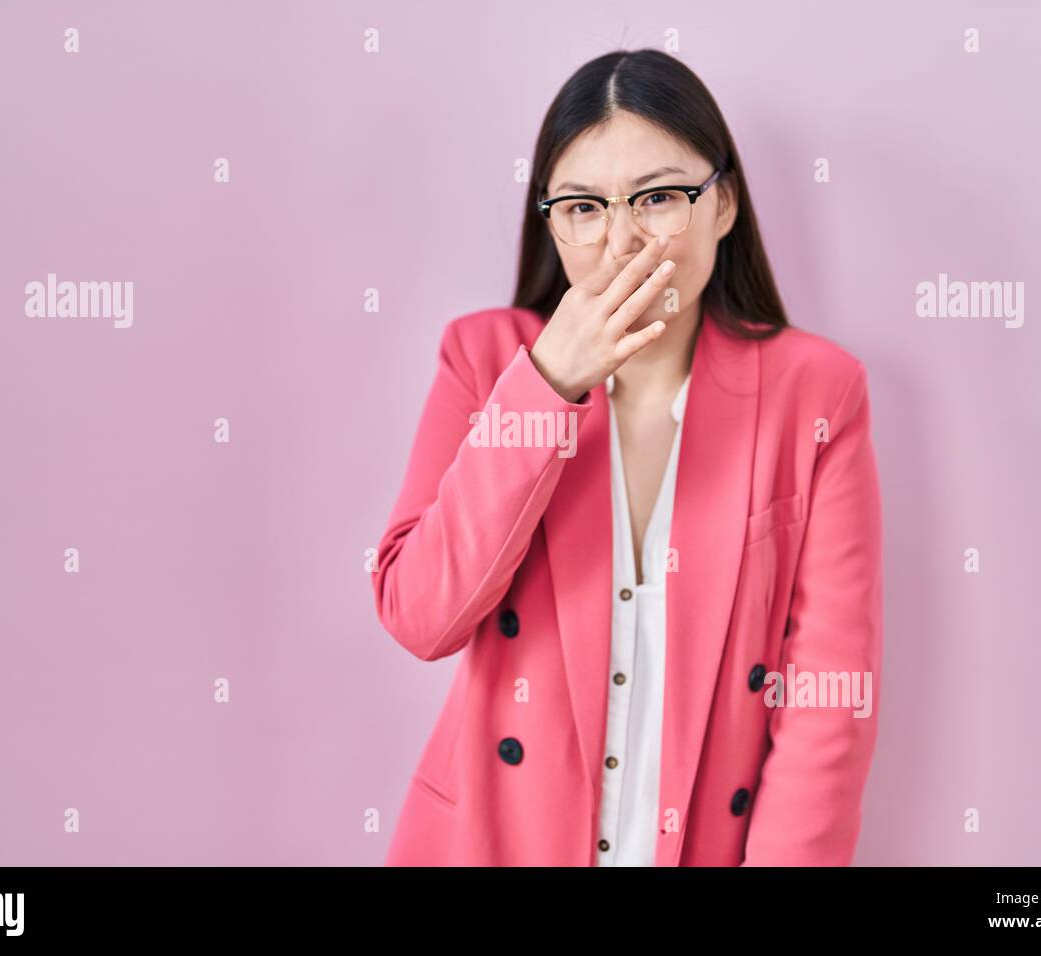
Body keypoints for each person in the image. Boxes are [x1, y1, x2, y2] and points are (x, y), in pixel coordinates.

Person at [372, 49, 883, 866]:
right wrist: (548, 383)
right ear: (550, 221)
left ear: (723, 206)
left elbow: (829, 703)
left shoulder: (817, 392)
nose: (621, 241)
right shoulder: (482, 360)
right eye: (582, 206)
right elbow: (423, 615)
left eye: (658, 198)